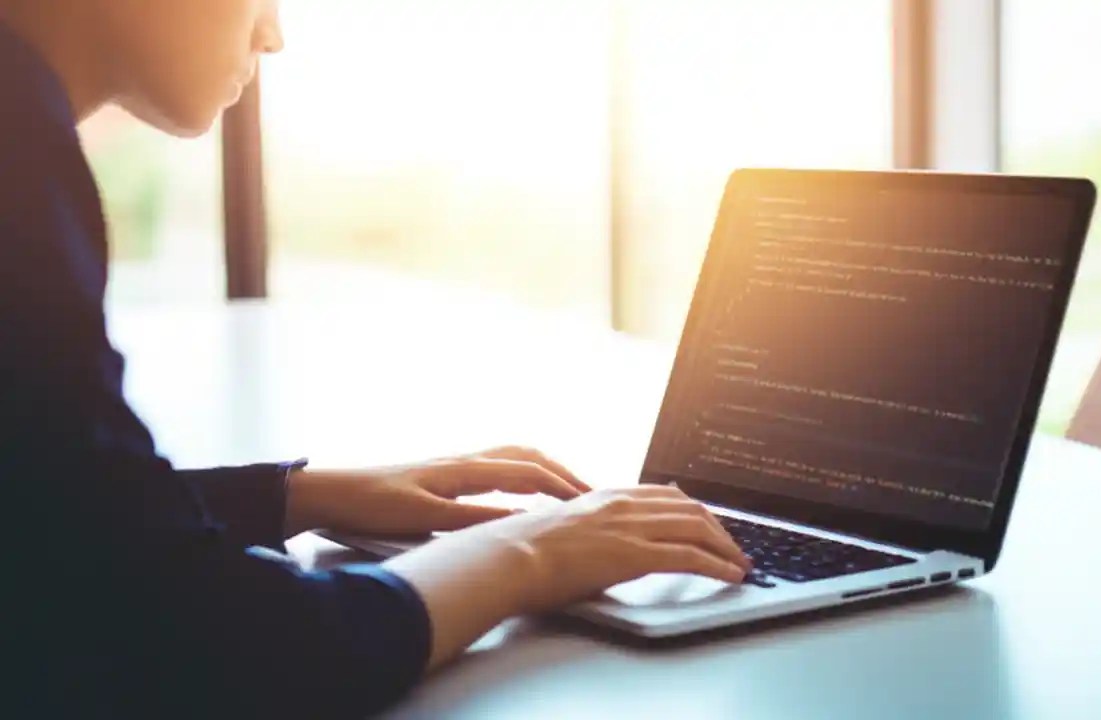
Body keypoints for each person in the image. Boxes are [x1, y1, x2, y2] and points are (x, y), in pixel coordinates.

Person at [0, 1, 752, 717]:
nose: (272, 32)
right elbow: (224, 649)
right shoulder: (19, 157)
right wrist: (530, 550)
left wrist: (296, 497)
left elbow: (49, 521)